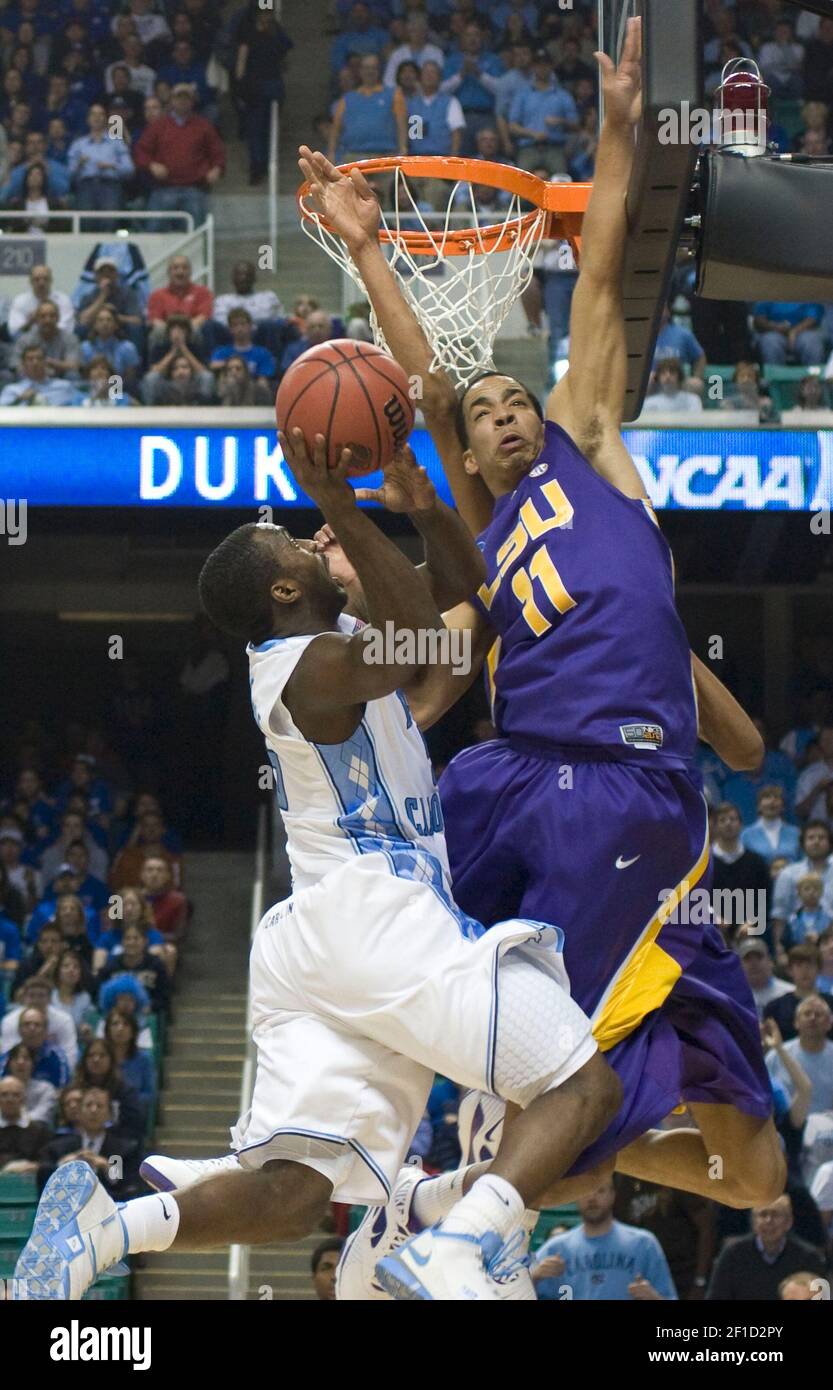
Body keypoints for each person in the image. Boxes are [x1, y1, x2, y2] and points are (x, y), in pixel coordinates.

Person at [294, 19, 784, 1289]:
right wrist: (362, 247)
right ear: (473, 443)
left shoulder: (592, 450)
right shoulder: (480, 537)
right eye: (488, 410)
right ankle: (442, 1207)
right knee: (543, 1067)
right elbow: (418, 375)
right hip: (555, 779)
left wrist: (618, 132)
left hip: (610, 793)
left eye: (519, 400)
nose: (505, 410)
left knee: (746, 1170)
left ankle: (451, 1190)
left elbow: (605, 267)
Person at [16, 441, 621, 1303]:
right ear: (285, 591)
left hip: (323, 944)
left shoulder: (350, 661)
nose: (318, 540)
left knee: (296, 1193)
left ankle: (107, 1228)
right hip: (374, 918)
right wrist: (339, 501)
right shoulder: (306, 671)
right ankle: (457, 1244)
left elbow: (459, 593)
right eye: (304, 545)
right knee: (582, 1085)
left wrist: (419, 505)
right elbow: (417, 641)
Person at [532, 1178, 677, 1300]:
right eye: (585, 1192)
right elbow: (514, 1288)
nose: (592, 1198)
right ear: (575, 1197)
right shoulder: (557, 1248)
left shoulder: (644, 1243)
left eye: (600, 1190)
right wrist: (536, 1276)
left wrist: (653, 1297)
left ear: (613, 1195)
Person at [133, 82, 224, 231]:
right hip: (163, 188)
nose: (182, 101)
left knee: (196, 234)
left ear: (193, 101)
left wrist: (217, 168)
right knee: (153, 232)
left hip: (194, 188)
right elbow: (140, 152)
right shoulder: (158, 126)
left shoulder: (204, 126)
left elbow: (217, 152)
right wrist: (151, 165)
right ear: (171, 101)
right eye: (178, 97)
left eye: (186, 98)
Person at [706, 1195, 827, 1301]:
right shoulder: (733, 1253)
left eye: (775, 1215)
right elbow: (716, 1296)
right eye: (763, 1214)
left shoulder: (808, 1258)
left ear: (789, 1222)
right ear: (753, 1222)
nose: (769, 1221)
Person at [507, 47, 578, 174]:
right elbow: (512, 126)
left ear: (551, 67)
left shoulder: (562, 95)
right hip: (528, 148)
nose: (542, 68)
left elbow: (575, 124)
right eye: (538, 65)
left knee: (561, 182)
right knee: (520, 184)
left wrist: (560, 121)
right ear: (533, 67)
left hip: (555, 148)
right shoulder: (522, 94)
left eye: (545, 65)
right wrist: (532, 134)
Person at [328, 52, 408, 163]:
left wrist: (403, 148)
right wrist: (331, 153)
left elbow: (401, 123)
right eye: (366, 68)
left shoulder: (394, 94)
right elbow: (335, 129)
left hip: (386, 155)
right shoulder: (347, 98)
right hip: (353, 156)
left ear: (379, 71)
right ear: (360, 71)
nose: (370, 71)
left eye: (373, 68)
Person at [764, 945, 833, 1042]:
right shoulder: (775, 1007)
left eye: (810, 965)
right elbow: (769, 1043)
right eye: (799, 965)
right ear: (790, 971)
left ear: (819, 969)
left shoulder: (831, 1004)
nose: (805, 971)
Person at [0, 1076, 52, 1173]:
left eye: (16, 1095)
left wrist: (34, 1166)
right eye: (4, 1094)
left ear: (24, 1099)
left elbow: (46, 1163)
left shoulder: (40, 1131)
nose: (9, 1099)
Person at [741, 785, 801, 865]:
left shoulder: (796, 833)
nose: (772, 801)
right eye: (767, 797)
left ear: (783, 807)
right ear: (758, 806)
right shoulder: (745, 835)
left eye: (776, 798)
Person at [740, 940, 795, 1019]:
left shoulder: (789, 992)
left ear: (770, 961)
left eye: (759, 957)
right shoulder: (733, 996)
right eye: (747, 959)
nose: (754, 963)